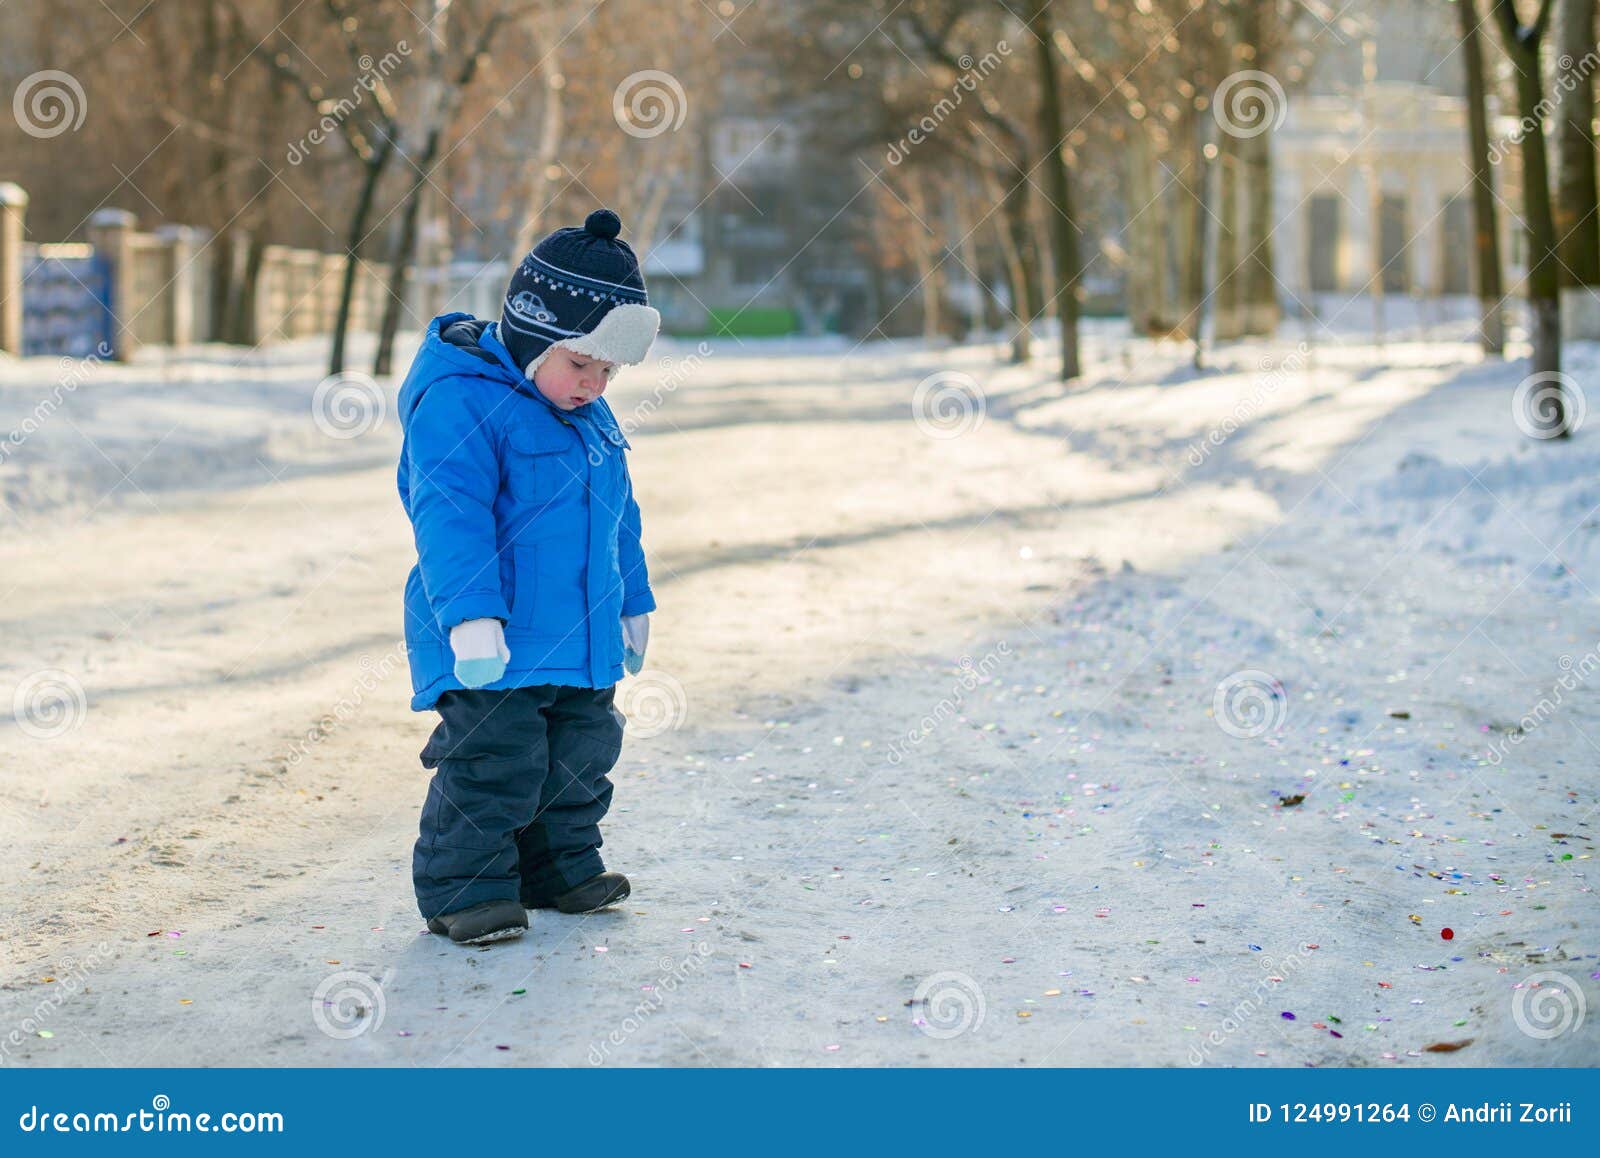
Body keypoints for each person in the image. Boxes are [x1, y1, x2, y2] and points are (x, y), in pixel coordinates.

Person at [395, 208, 660, 944]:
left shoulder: (590, 417)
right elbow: (450, 516)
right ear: (534, 334)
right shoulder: (461, 401)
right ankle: (466, 889)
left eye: (608, 371)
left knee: (582, 756)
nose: (594, 385)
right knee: (495, 760)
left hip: (580, 634)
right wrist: (473, 616)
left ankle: (559, 867)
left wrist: (633, 602)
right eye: (582, 364)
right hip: (495, 638)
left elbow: (619, 517)